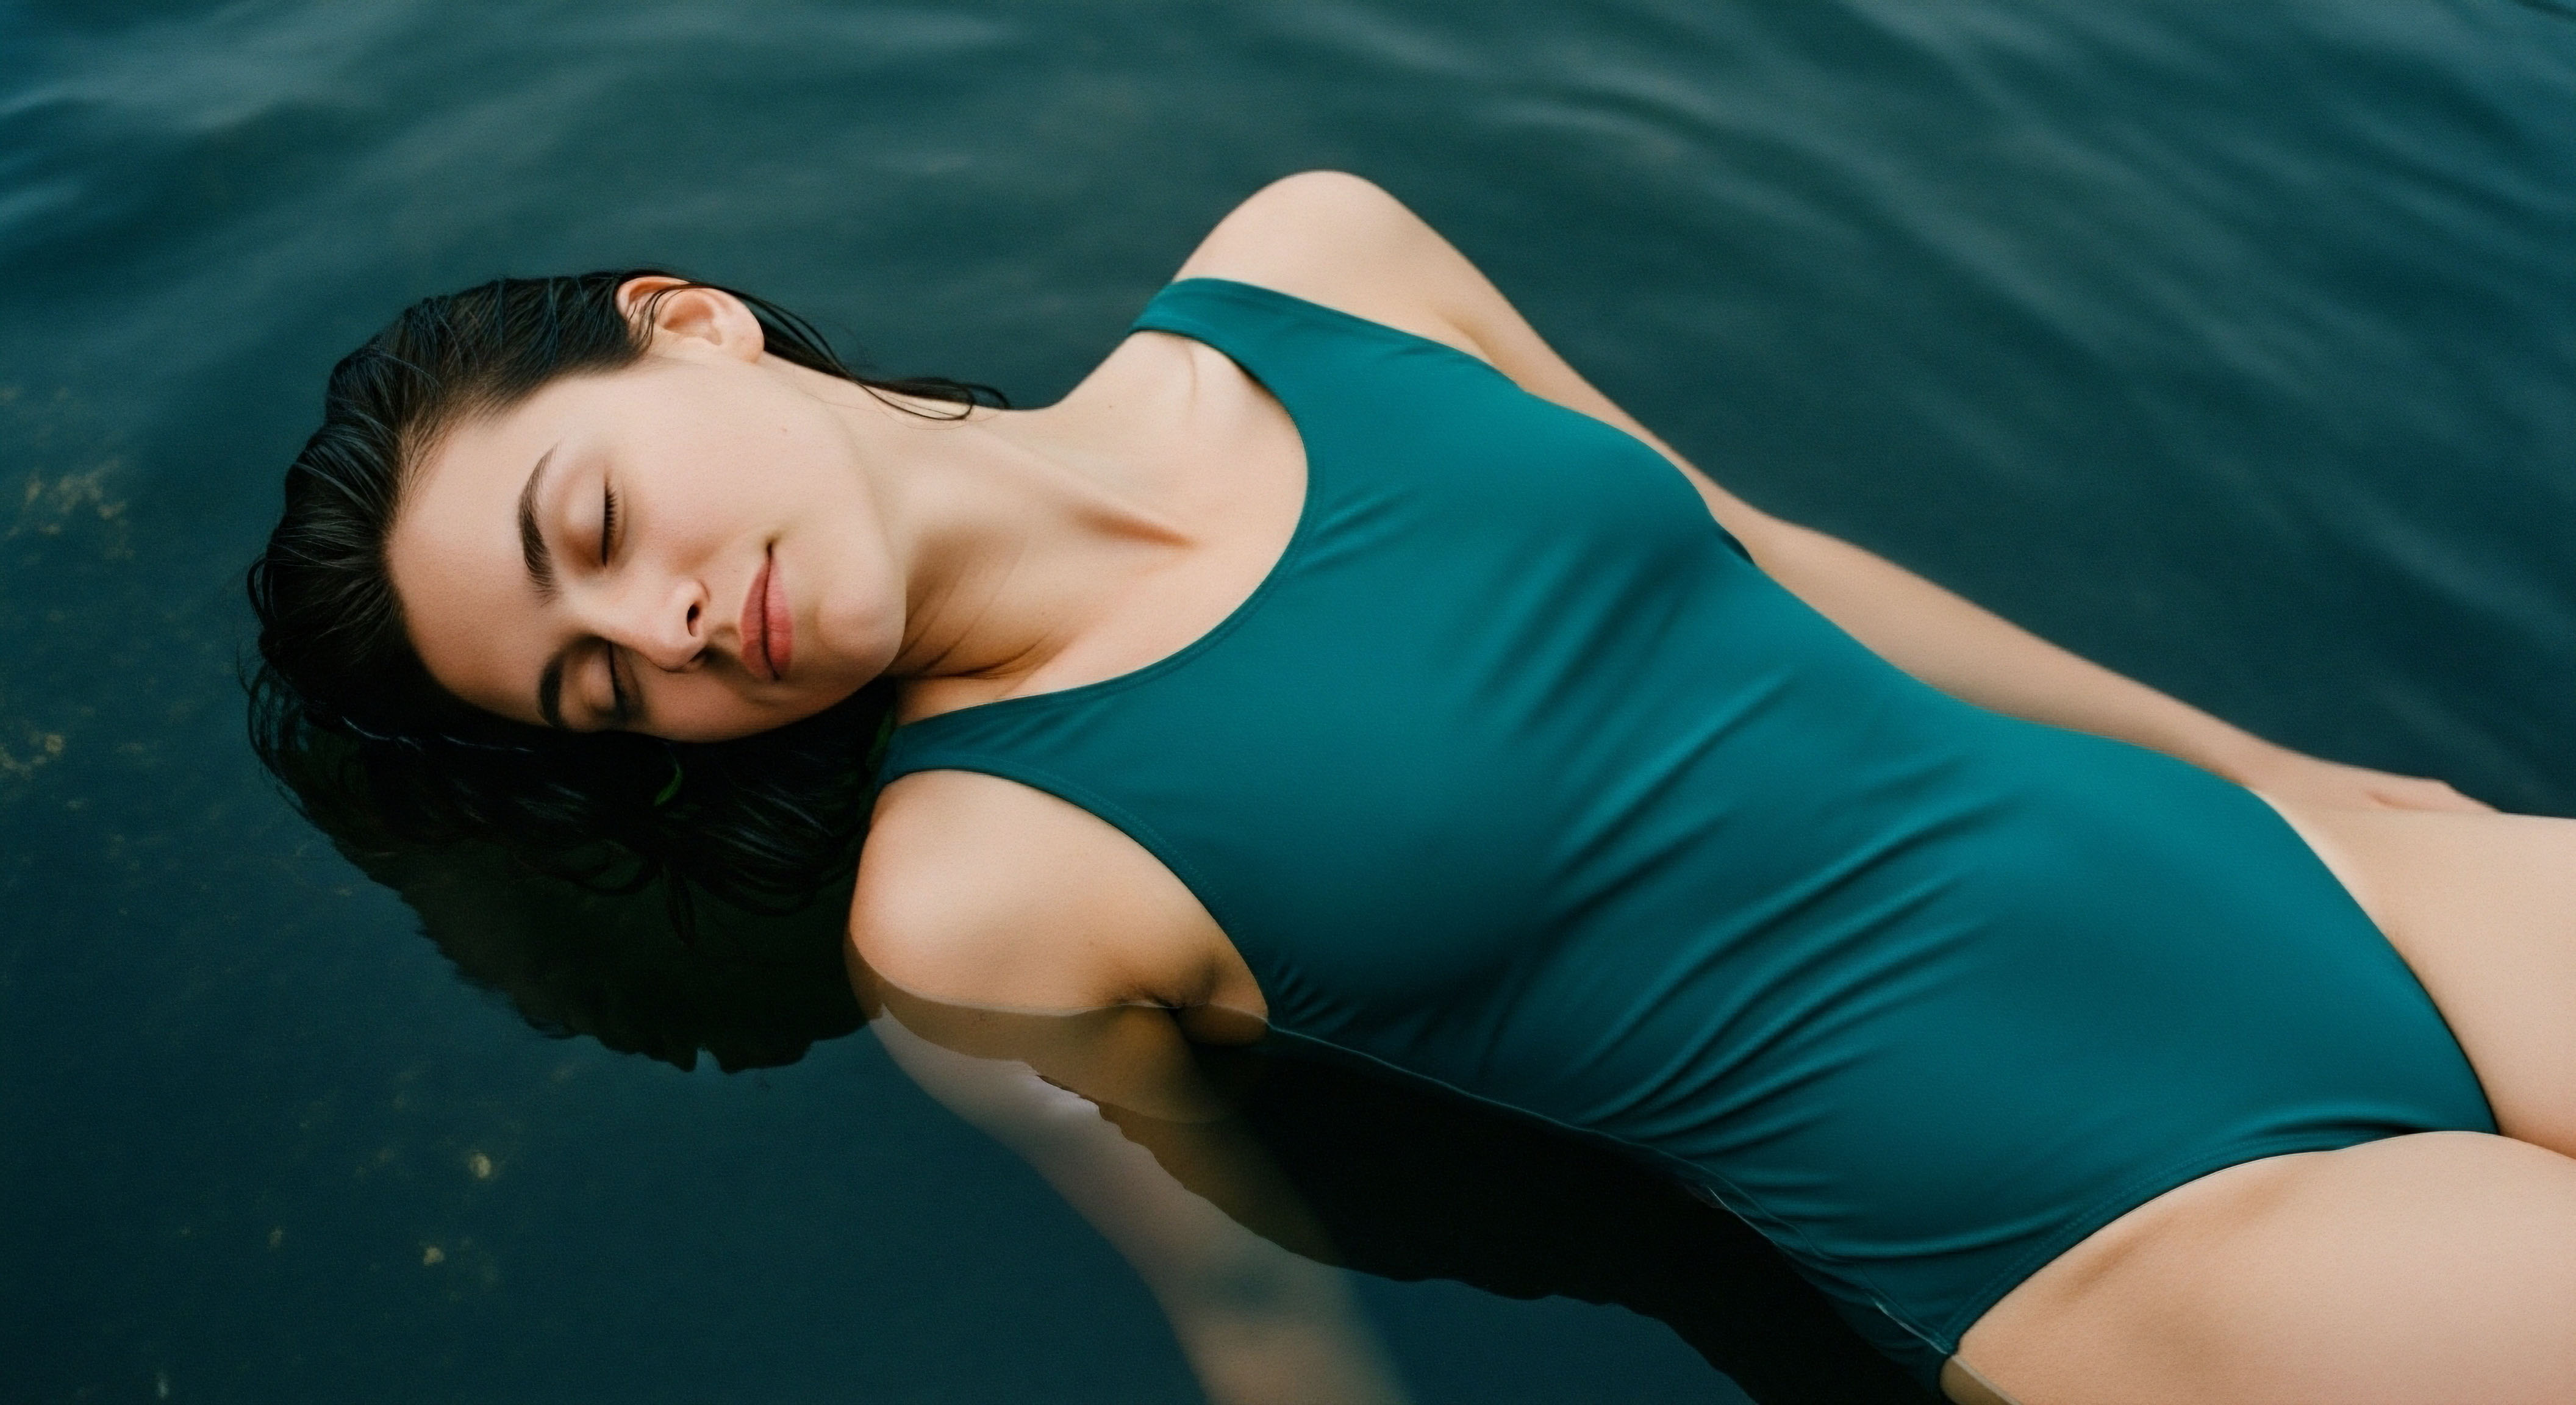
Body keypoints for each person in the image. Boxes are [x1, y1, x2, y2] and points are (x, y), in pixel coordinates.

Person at [248, 171, 2576, 1404]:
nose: (660, 629)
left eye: (594, 525)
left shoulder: (1317, 260)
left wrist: (2310, 775)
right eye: (593, 689)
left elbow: (1787, 563)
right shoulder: (966, 901)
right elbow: (1254, 1306)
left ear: (684, 317)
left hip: (2322, 881)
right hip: (2125, 1235)